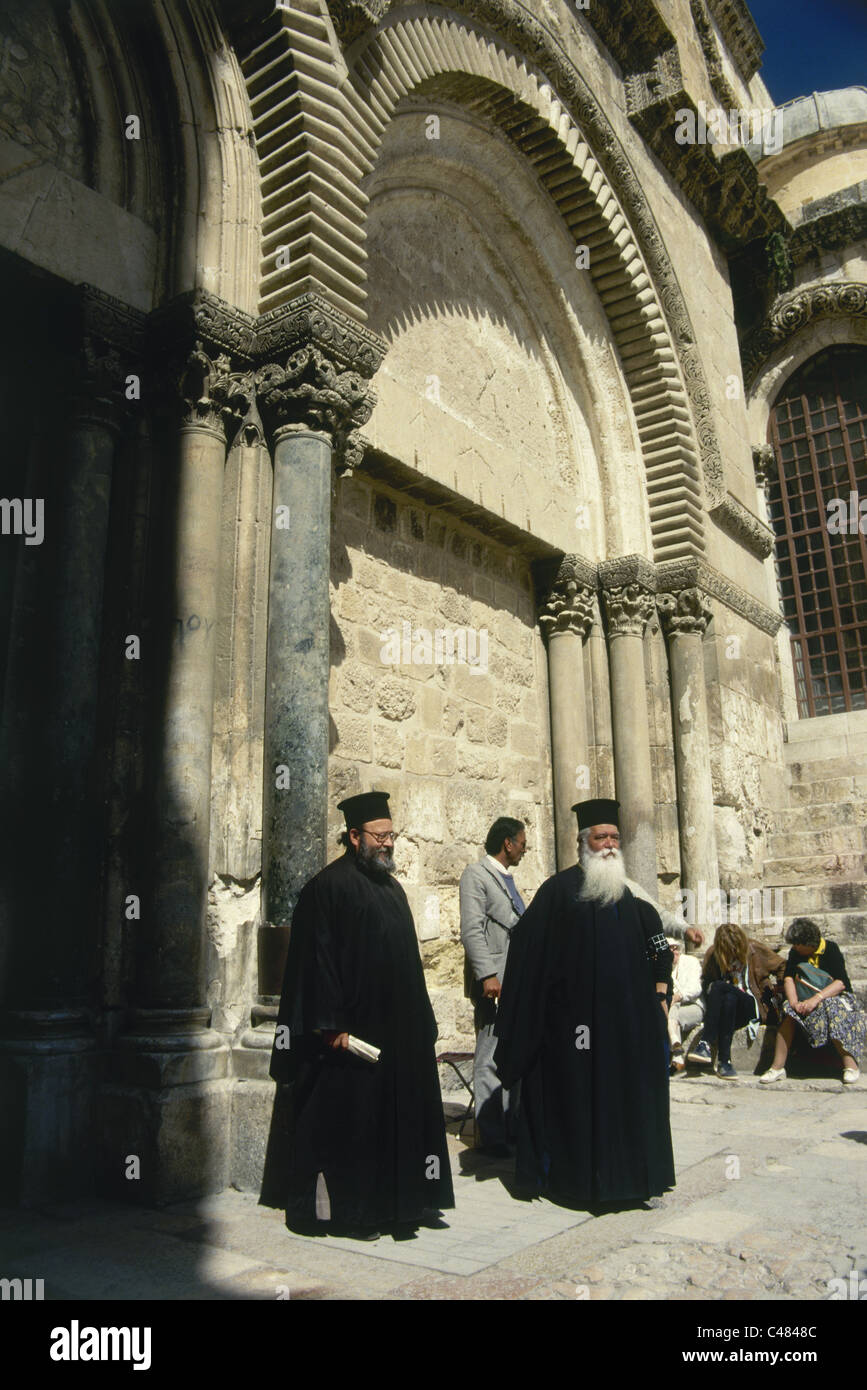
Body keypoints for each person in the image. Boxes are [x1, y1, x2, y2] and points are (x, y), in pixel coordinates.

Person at [259, 790, 455, 1238]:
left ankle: (404, 1205)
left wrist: (423, 1022)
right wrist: (330, 1026)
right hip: (353, 1039)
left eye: (392, 835)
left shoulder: (392, 889)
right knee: (357, 1125)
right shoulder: (325, 889)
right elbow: (315, 961)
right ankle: (356, 1213)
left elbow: (409, 962)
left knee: (400, 1123)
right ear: (354, 836)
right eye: (380, 835)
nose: (388, 843)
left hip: (400, 1036)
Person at [493, 798, 674, 1208]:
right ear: (583, 842)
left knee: (624, 1107)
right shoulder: (558, 892)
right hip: (572, 1036)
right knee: (577, 1108)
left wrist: (657, 1002)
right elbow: (526, 951)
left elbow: (654, 955)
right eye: (600, 837)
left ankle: (627, 1182)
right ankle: (576, 1184)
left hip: (624, 1033)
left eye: (614, 837)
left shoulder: (629, 902)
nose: (609, 844)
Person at [459, 816, 526, 1156]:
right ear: (507, 843)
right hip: (494, 984)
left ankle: (512, 1125)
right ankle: (491, 1136)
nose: (524, 849)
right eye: (521, 843)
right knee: (489, 1056)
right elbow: (472, 929)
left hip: (515, 982)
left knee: (512, 1055)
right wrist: (487, 975)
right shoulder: (476, 875)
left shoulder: (508, 879)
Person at [760, 917, 864, 1085]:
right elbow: (788, 979)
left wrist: (816, 999)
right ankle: (777, 1067)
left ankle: (850, 1066)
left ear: (808, 943)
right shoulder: (795, 953)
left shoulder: (830, 949)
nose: (794, 948)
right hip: (804, 998)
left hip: (833, 997)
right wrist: (794, 1003)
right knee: (788, 1011)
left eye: (797, 944)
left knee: (831, 1007)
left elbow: (840, 983)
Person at [697, 922, 785, 1079]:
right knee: (728, 998)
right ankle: (725, 1063)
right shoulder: (713, 954)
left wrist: (779, 990)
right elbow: (706, 982)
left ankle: (705, 1042)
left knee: (719, 986)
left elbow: (782, 965)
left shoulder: (754, 949)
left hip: (752, 1004)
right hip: (729, 1009)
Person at [666, 936, 704, 1073]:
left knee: (673, 1005)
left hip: (693, 1006)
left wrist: (679, 996)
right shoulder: (663, 967)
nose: (673, 952)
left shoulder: (691, 962)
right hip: (673, 1010)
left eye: (675, 948)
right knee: (672, 1007)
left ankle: (676, 1051)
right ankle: (677, 1056)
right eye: (669, 949)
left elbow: (696, 989)